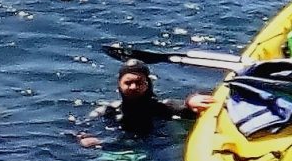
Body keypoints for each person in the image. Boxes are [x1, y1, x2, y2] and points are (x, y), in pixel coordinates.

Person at [77, 61, 208, 148]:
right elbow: (80, 129)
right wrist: (87, 138)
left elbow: (187, 107)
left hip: (158, 150)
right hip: (117, 147)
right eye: (128, 83)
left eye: (139, 82)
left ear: (148, 84)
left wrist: (192, 100)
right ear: (119, 85)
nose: (133, 87)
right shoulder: (108, 111)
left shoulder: (163, 107)